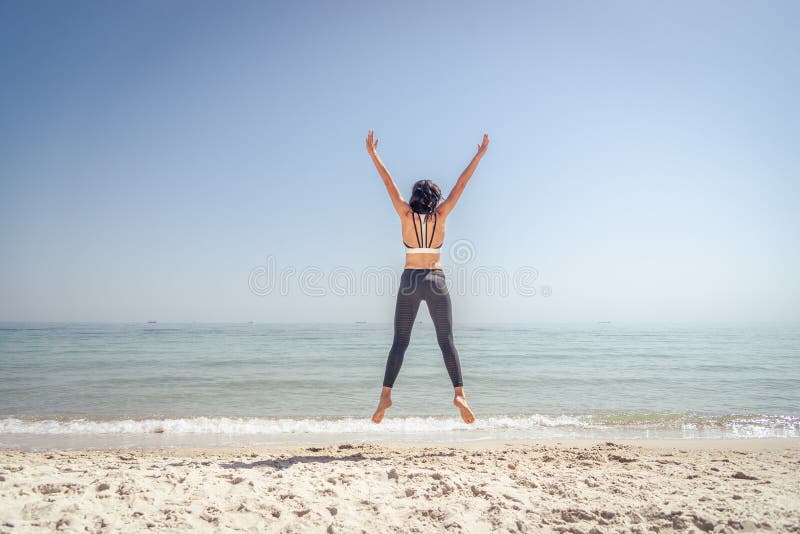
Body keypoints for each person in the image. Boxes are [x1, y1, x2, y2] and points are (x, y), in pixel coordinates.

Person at [366, 129, 489, 424]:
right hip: (436, 281)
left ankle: (385, 395)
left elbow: (388, 182)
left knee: (400, 341)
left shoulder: (405, 216)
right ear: (435, 199)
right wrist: (479, 155)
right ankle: (460, 393)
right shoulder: (442, 216)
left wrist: (373, 153)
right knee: (446, 340)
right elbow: (462, 183)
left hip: (410, 281)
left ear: (414, 198)